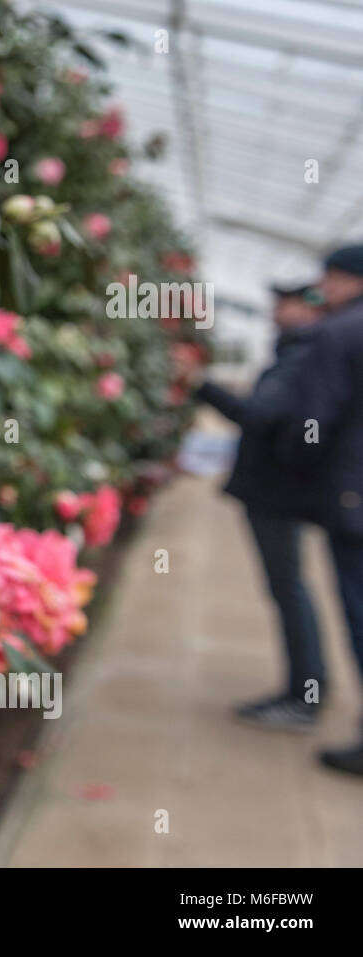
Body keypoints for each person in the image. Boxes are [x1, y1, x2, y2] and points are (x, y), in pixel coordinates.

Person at [194, 285, 325, 730]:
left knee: (288, 588)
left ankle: (304, 695)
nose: (276, 310)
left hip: (277, 493)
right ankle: (306, 691)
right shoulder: (300, 350)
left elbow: (261, 415)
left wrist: (201, 386)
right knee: (289, 588)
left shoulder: (304, 353)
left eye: (285, 302)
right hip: (280, 490)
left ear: (307, 308)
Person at [274, 245, 363, 776]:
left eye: (328, 279)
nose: (321, 289)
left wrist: (292, 466)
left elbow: (315, 421)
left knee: (359, 615)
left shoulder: (338, 332)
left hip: (352, 501)